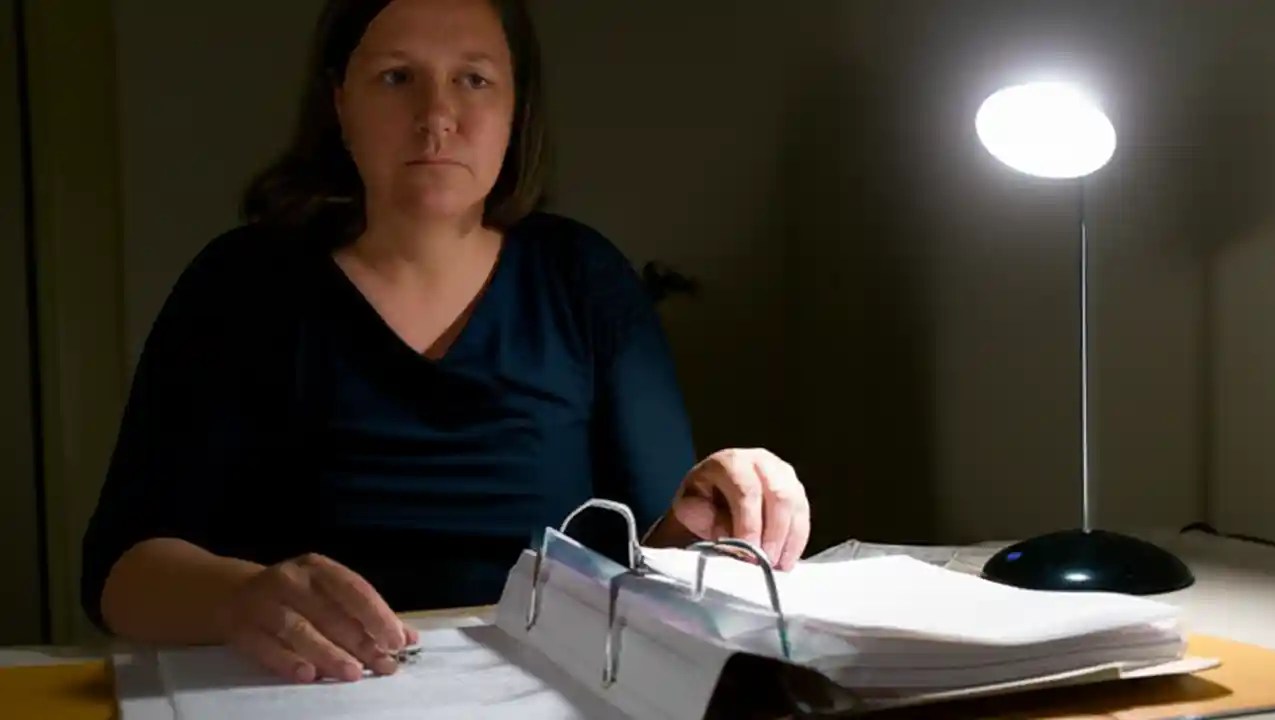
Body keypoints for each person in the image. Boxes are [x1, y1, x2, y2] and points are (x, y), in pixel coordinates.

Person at [81, 0, 810, 685]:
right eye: (396, 78)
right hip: (310, 691)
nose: (437, 117)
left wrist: (718, 502)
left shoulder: (583, 278)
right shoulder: (239, 285)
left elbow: (659, 557)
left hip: (541, 691)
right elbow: (120, 573)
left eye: (473, 79)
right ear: (340, 103)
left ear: (514, 106)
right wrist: (237, 597)